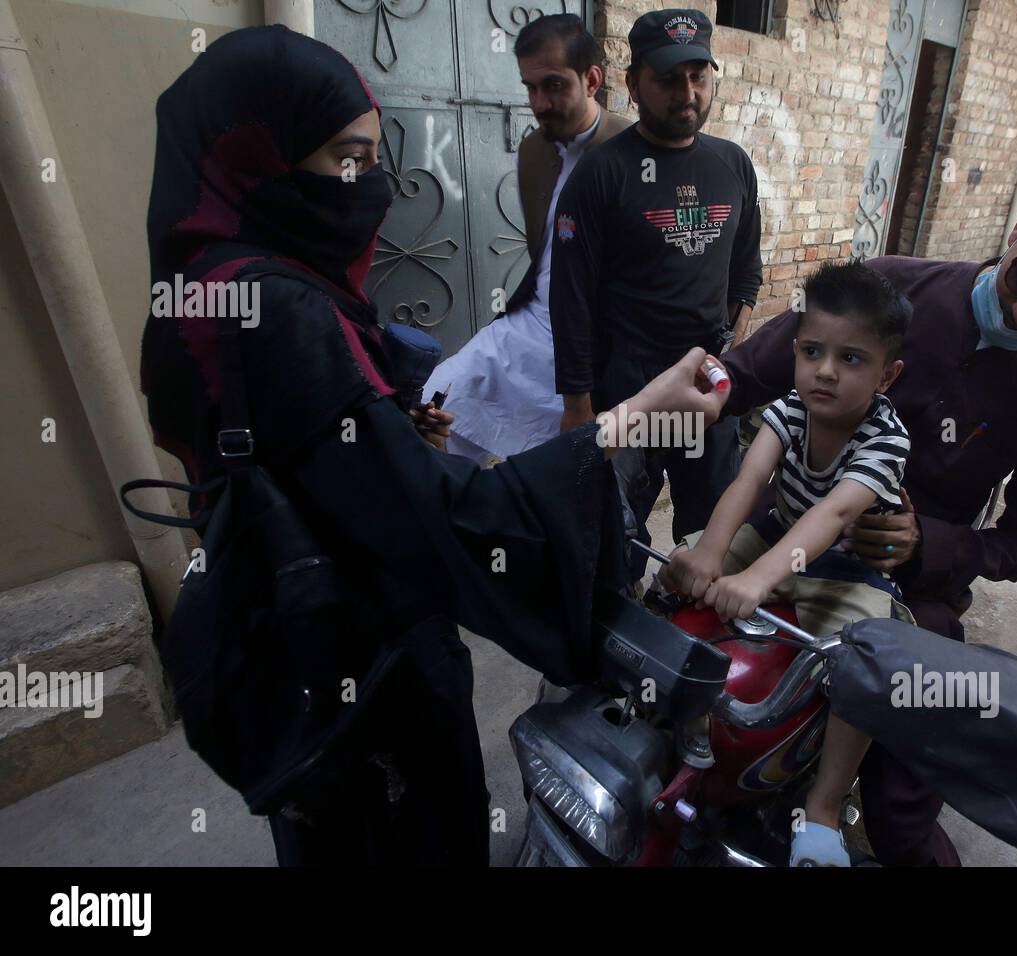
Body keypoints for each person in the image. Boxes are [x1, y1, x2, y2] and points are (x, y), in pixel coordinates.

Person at [140, 24, 725, 866]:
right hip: (360, 661)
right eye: (344, 158)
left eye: (374, 157)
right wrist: (624, 421)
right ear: (259, 154)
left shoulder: (203, 280)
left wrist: (380, 427)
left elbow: (291, 453)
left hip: (280, 632)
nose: (367, 185)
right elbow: (453, 520)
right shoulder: (284, 313)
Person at [721, 160, 1017, 865]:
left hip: (911, 595)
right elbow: (744, 374)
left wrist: (930, 547)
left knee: (903, 802)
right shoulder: (885, 290)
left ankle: (839, 815)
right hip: (776, 539)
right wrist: (639, 417)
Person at [663, 261, 912, 866]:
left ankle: (824, 807)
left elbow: (828, 519)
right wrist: (710, 555)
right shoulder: (787, 411)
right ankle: (653, 698)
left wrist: (754, 579)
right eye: (812, 351)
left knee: (866, 668)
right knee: (672, 567)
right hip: (775, 535)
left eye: (851, 359)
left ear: (888, 374)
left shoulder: (887, 441)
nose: (824, 371)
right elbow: (748, 482)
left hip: (847, 570)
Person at [549, 8, 763, 575]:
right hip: (628, 389)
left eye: (699, 75)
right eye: (668, 79)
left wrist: (727, 357)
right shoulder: (600, 174)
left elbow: (745, 272)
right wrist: (577, 407)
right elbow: (568, 298)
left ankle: (698, 642)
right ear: (633, 83)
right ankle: (611, 646)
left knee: (715, 534)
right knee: (612, 539)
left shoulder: (732, 165)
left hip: (706, 389)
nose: (687, 92)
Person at [423, 15, 632, 463]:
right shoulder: (535, 151)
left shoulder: (632, 150)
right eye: (530, 87)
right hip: (532, 320)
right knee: (437, 396)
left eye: (553, 86)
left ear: (592, 79)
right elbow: (546, 255)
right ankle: (458, 509)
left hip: (597, 340)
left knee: (562, 468)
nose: (538, 103)